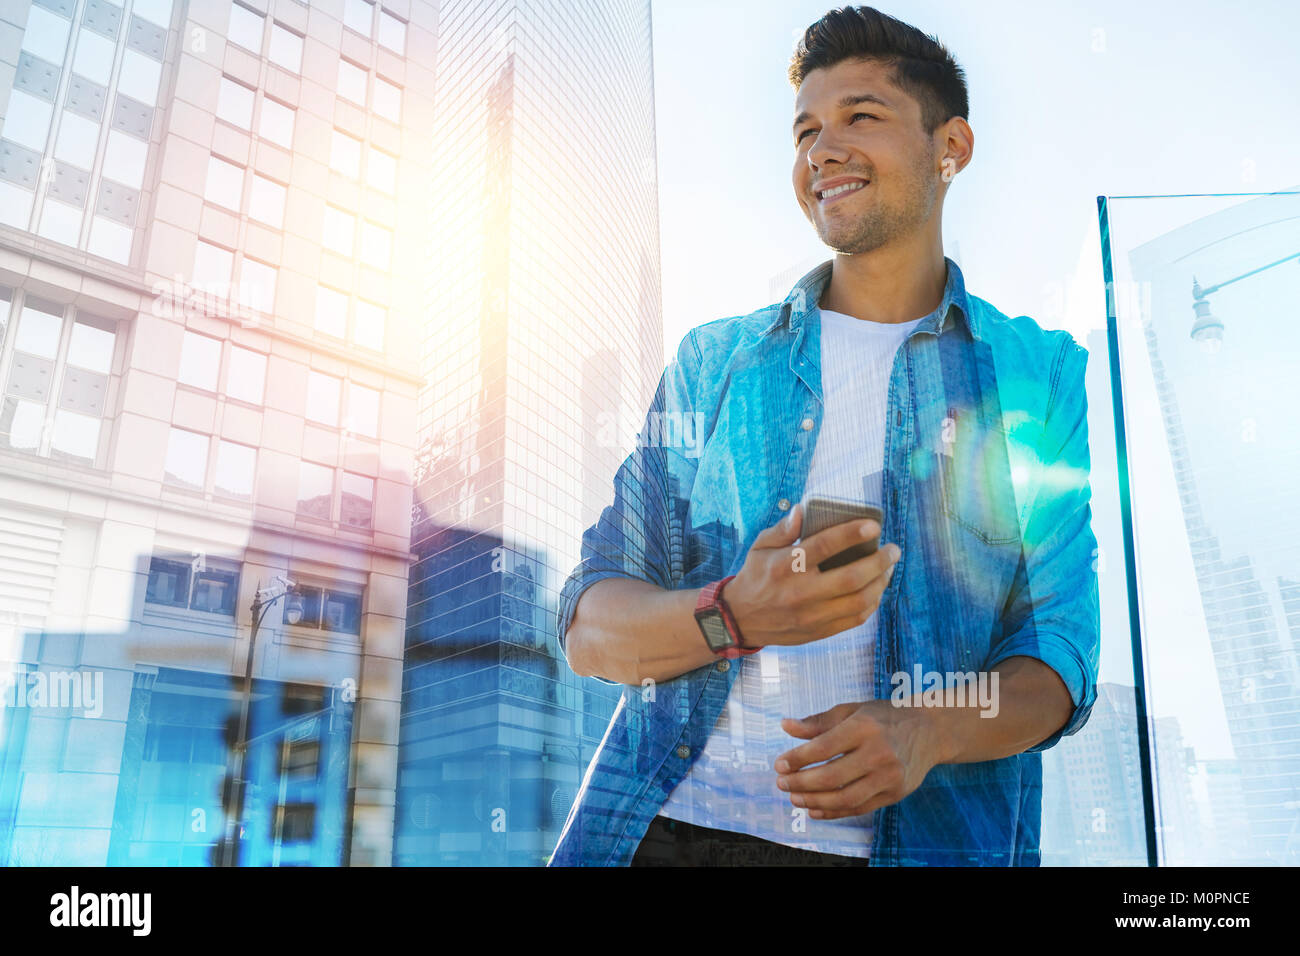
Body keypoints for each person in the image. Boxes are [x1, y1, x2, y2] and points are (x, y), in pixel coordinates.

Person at [548, 5, 1100, 867]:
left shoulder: (1036, 373)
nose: (822, 151)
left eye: (861, 118)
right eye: (805, 130)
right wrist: (734, 613)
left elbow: (1059, 660)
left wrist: (925, 731)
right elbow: (589, 625)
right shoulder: (717, 361)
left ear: (950, 146)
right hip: (653, 837)